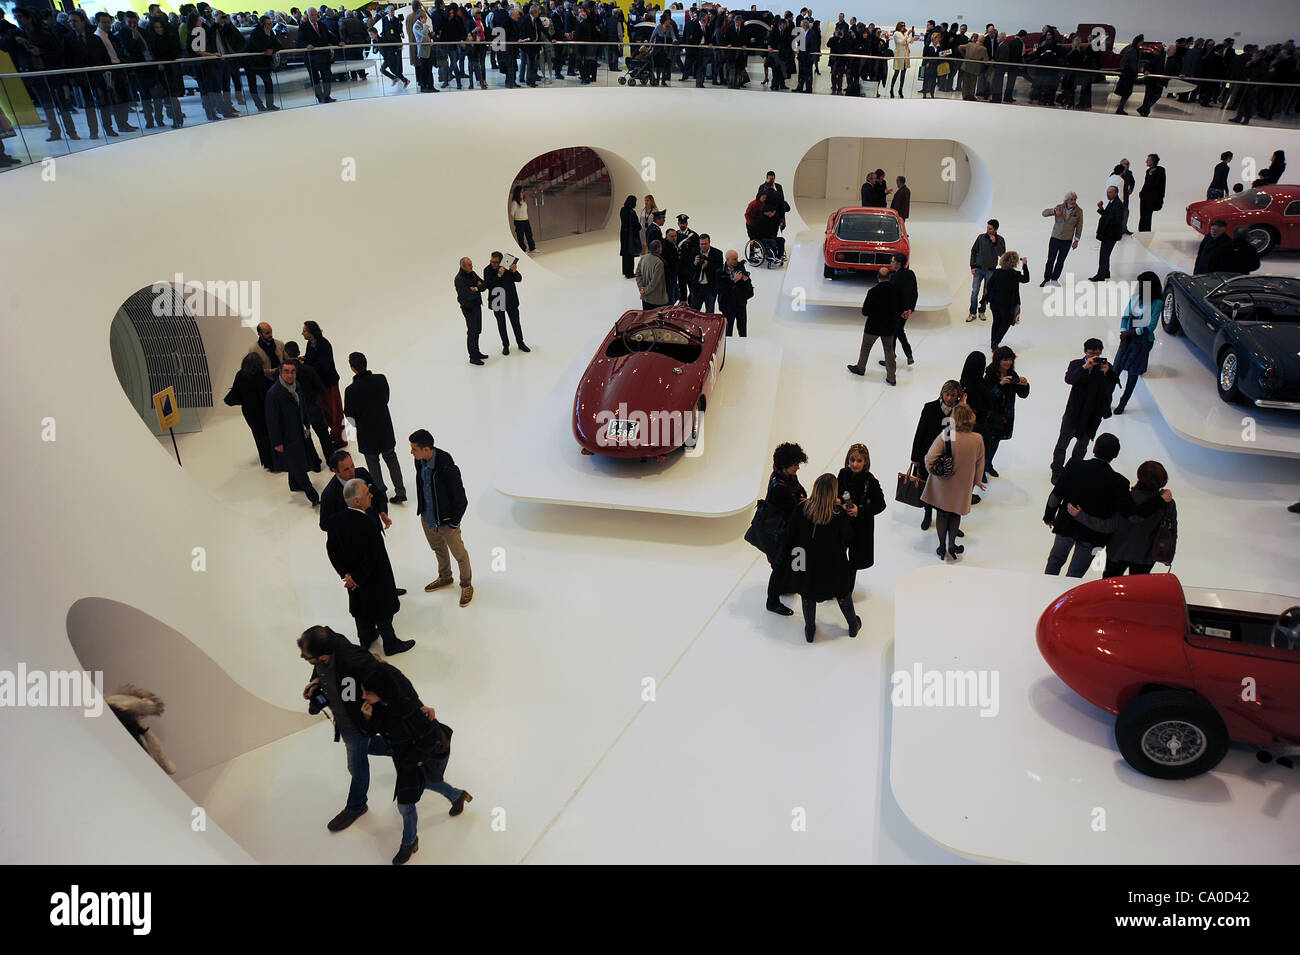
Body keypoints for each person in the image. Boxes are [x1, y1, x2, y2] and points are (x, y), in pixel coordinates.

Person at [357, 661, 470, 865]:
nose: (363, 696)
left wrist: (412, 762)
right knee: (428, 782)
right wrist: (367, 717)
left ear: (381, 691)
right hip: (404, 759)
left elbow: (430, 739)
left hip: (412, 762)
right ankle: (457, 795)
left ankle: (409, 841)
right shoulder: (379, 707)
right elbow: (371, 732)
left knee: (405, 804)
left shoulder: (407, 709)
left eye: (367, 692)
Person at [297, 625, 387, 833]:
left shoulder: (353, 660)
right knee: (371, 746)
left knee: (357, 768)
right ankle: (408, 745)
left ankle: (356, 806)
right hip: (346, 720)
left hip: (355, 724)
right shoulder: (328, 647)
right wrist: (316, 681)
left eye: (308, 656)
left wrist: (373, 704)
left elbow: (385, 677)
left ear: (323, 654)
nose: (302, 656)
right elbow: (319, 666)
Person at [326, 478, 414, 656]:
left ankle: (366, 638)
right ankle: (390, 644)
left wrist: (347, 575)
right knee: (381, 609)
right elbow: (372, 556)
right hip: (373, 577)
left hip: (353, 579)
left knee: (361, 608)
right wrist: (357, 578)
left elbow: (331, 550)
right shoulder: (367, 523)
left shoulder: (335, 521)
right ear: (357, 501)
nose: (371, 495)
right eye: (367, 494)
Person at [1044, 433, 1142, 577]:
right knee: (1076, 573)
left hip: (1066, 524)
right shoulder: (1120, 482)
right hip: (1093, 535)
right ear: (1115, 455)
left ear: (1094, 448)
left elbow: (1056, 495)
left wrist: (1049, 515)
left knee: (1055, 560)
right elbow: (1129, 514)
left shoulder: (1074, 465)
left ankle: (1046, 589)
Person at [779, 473, 861, 643]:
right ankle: (853, 625)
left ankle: (810, 629)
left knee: (807, 594)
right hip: (833, 563)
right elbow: (848, 537)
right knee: (842, 593)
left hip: (802, 559)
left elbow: (789, 534)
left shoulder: (802, 509)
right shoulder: (839, 515)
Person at [1067, 460, 1177, 577]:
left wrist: (1082, 516)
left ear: (1139, 476)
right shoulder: (1168, 503)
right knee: (1136, 591)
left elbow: (1107, 526)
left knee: (1109, 588)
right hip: (1145, 557)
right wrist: (1169, 554)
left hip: (1117, 553)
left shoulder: (1125, 498)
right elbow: (1171, 530)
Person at [408, 429, 473, 608]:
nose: (411, 452)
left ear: (427, 449)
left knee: (459, 554)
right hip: (428, 518)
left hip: (446, 522)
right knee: (438, 549)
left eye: (414, 449)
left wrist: (454, 522)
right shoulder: (419, 462)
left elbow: (461, 499)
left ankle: (466, 584)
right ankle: (445, 577)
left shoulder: (447, 467)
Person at [921, 403, 985, 561]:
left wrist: (932, 472)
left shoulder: (948, 434)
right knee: (956, 515)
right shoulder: (977, 439)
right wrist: (977, 481)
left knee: (942, 515)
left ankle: (941, 547)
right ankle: (952, 545)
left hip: (943, 484)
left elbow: (929, 458)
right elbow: (980, 463)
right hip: (963, 485)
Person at [1051, 338, 1119, 482]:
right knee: (1062, 444)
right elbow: (1069, 379)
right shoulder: (1076, 364)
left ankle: (1073, 470)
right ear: (1085, 352)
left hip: (1092, 415)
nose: (1095, 356)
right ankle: (1056, 471)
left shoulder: (1106, 367)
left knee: (1081, 447)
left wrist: (1107, 374)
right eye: (1091, 353)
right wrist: (1084, 368)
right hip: (1074, 413)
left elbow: (1110, 391)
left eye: (1098, 353)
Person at [343, 352, 407, 503]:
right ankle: (400, 490)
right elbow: (386, 398)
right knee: (391, 459)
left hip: (367, 434)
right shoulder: (380, 379)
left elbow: (349, 415)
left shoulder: (350, 390)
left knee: (373, 465)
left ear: (352, 368)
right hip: (385, 428)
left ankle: (380, 494)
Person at [265, 361, 322, 505]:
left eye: (293, 372)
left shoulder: (297, 386)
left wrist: (307, 424)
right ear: (280, 372)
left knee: (295, 461)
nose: (290, 375)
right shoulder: (273, 394)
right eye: (286, 372)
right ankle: (313, 496)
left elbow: (302, 406)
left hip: (299, 431)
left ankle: (294, 484)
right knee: (298, 465)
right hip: (287, 436)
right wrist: (277, 442)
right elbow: (272, 421)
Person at [910, 380, 961, 532]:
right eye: (947, 394)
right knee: (928, 485)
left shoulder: (959, 411)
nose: (950, 398)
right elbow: (920, 432)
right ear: (942, 393)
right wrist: (915, 457)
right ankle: (927, 514)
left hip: (949, 456)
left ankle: (948, 520)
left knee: (946, 489)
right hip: (929, 455)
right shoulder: (930, 408)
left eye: (953, 395)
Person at [763, 442, 808, 616]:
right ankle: (772, 601)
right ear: (785, 465)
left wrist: (801, 498)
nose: (798, 467)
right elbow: (793, 510)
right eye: (795, 464)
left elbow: (800, 490)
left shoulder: (785, 476)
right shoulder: (779, 487)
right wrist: (803, 502)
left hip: (786, 530)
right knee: (780, 567)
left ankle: (787, 585)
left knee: (788, 563)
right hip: (780, 533)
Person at [1113, 271, 1163, 415]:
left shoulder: (1157, 303)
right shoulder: (1135, 298)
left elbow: (1150, 326)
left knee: (1132, 374)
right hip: (1128, 338)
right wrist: (1123, 332)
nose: (1139, 286)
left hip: (1141, 342)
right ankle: (1106, 400)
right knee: (1115, 369)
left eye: (1142, 284)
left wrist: (1132, 333)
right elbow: (1125, 317)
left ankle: (1123, 402)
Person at [837, 443, 886, 590]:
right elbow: (838, 492)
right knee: (838, 555)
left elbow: (881, 504)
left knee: (853, 562)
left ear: (866, 462)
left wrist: (860, 511)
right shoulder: (843, 474)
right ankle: (836, 586)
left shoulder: (870, 481)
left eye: (859, 461)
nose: (855, 464)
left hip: (859, 528)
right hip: (842, 523)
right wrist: (839, 502)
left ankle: (846, 592)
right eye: (852, 460)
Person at [319, 449, 390, 539]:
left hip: (374, 528)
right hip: (353, 538)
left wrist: (383, 512)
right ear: (335, 471)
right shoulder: (329, 494)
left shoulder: (362, 473)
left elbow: (378, 494)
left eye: (352, 466)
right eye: (346, 469)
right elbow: (325, 524)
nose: (352, 471)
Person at [283, 342, 337, 458]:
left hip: (297, 411)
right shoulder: (308, 369)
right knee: (323, 435)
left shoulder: (283, 374)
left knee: (305, 437)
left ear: (285, 354)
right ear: (298, 353)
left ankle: (314, 463)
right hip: (313, 406)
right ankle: (331, 459)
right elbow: (321, 388)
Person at [846, 267, 900, 385]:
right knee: (889, 350)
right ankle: (891, 377)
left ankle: (860, 368)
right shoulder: (895, 291)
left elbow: (865, 311)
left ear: (878, 277)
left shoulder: (872, 291)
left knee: (866, 347)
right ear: (889, 277)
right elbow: (898, 309)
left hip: (873, 326)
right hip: (889, 327)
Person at [982, 346, 1029, 479]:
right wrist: (1000, 385)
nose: (1008, 363)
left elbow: (1023, 395)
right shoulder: (990, 376)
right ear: (998, 360)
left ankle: (988, 464)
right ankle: (981, 469)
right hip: (991, 416)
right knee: (986, 443)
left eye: (1010, 360)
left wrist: (1024, 385)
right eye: (1005, 360)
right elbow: (987, 397)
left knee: (996, 441)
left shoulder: (1012, 375)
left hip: (1005, 416)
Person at [223, 353, 275, 470]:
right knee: (268, 435)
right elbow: (266, 391)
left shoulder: (240, 375)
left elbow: (234, 394)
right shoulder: (260, 376)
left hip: (249, 412)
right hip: (263, 411)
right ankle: (273, 462)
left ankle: (266, 462)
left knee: (258, 435)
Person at [303, 321, 345, 448]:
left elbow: (323, 366)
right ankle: (335, 435)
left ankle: (340, 440)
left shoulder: (324, 345)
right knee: (326, 412)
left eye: (304, 331)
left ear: (311, 332)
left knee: (335, 412)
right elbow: (312, 361)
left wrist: (307, 366)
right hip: (320, 385)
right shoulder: (310, 344)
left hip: (329, 384)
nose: (302, 333)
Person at [482, 252, 530, 355]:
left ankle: (520, 343)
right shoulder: (487, 270)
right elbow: (489, 285)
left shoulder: (507, 267)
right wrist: (499, 275)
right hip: (497, 301)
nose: (493, 264)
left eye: (495, 262)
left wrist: (514, 271)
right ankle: (505, 345)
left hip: (510, 300)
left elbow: (519, 279)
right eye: (491, 261)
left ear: (501, 262)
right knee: (501, 324)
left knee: (516, 323)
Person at [980, 249, 1029, 350]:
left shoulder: (996, 272)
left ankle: (993, 342)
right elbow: (1026, 279)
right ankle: (995, 343)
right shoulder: (1015, 274)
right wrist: (1025, 265)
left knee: (996, 321)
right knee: (1006, 323)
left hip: (994, 303)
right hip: (1007, 304)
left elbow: (989, 286)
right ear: (1014, 262)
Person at [1040, 192, 1082, 286]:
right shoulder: (1059, 207)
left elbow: (1079, 226)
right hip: (1055, 238)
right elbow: (1044, 213)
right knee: (1051, 259)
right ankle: (1046, 279)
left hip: (1067, 240)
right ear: (1066, 200)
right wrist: (1054, 211)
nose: (1073, 201)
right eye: (1071, 199)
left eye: (1075, 199)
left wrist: (1076, 240)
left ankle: (1055, 279)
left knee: (1061, 260)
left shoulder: (1079, 211)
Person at [299, 6, 340, 103]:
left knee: (327, 76)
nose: (314, 17)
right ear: (308, 16)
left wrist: (338, 42)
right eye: (312, 15)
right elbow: (300, 40)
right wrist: (307, 45)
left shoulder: (322, 24)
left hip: (324, 56)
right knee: (315, 78)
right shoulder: (303, 27)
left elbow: (329, 36)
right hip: (311, 57)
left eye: (315, 14)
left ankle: (327, 96)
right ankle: (320, 97)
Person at [454, 257, 488, 365]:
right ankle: (473, 357)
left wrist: (476, 288)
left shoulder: (472, 273)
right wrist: (476, 288)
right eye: (469, 265)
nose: (471, 267)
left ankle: (477, 352)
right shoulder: (459, 279)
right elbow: (467, 295)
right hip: (469, 308)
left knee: (477, 330)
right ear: (462, 266)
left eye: (471, 264)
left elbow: (484, 285)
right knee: (472, 331)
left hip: (477, 305)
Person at [1090, 186, 1124, 281]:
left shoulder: (1118, 205)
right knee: (1105, 255)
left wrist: (1105, 215)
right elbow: (1108, 216)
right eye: (1107, 192)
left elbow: (1116, 220)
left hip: (1111, 235)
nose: (1108, 194)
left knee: (1104, 255)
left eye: (1110, 192)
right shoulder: (1112, 203)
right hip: (1108, 234)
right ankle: (1105, 273)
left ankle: (1101, 275)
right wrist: (1101, 208)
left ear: (1116, 193)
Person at [717, 250, 753, 337]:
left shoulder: (740, 268)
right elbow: (720, 290)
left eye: (737, 258)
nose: (737, 261)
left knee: (742, 330)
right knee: (728, 332)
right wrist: (733, 281)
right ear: (727, 259)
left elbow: (748, 285)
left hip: (740, 305)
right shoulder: (719, 272)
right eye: (734, 259)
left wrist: (746, 280)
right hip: (727, 307)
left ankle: (743, 347)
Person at [688, 234, 724, 313]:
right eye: (701, 244)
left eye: (705, 244)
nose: (703, 246)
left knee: (710, 313)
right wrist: (694, 263)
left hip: (710, 288)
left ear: (709, 243)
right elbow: (689, 269)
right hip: (697, 288)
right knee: (693, 313)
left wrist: (708, 265)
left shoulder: (717, 253)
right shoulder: (694, 252)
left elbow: (720, 270)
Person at [635, 240, 669, 310]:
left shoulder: (644, 257)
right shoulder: (659, 262)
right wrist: (645, 291)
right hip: (656, 299)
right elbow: (654, 282)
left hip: (645, 298)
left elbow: (638, 274)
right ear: (659, 249)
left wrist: (641, 288)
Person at [1137, 154, 1166, 232]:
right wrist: (1141, 193)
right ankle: (1142, 232)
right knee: (1143, 216)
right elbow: (1146, 184)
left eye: (1148, 160)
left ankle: (1145, 232)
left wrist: (1150, 175)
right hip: (1145, 197)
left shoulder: (1160, 170)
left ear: (1153, 161)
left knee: (1147, 216)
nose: (1146, 161)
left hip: (1152, 199)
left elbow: (1155, 184)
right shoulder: (1148, 171)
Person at [1113, 34, 1141, 114]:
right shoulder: (1131, 51)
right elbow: (1124, 62)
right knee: (1126, 93)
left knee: (1127, 93)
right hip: (1128, 76)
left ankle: (1120, 108)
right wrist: (1125, 71)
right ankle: (1120, 108)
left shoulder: (1134, 51)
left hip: (1130, 75)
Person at [619, 195, 640, 278]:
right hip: (630, 236)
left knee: (625, 254)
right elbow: (636, 226)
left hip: (624, 234)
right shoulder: (632, 212)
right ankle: (630, 272)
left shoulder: (622, 210)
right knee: (630, 254)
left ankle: (625, 271)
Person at [510, 186, 536, 253]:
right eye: (521, 192)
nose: (523, 193)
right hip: (519, 222)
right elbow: (512, 213)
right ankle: (523, 250)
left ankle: (532, 248)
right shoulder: (515, 202)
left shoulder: (523, 201)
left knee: (529, 235)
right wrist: (518, 218)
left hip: (526, 220)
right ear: (517, 193)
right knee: (521, 237)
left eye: (523, 192)